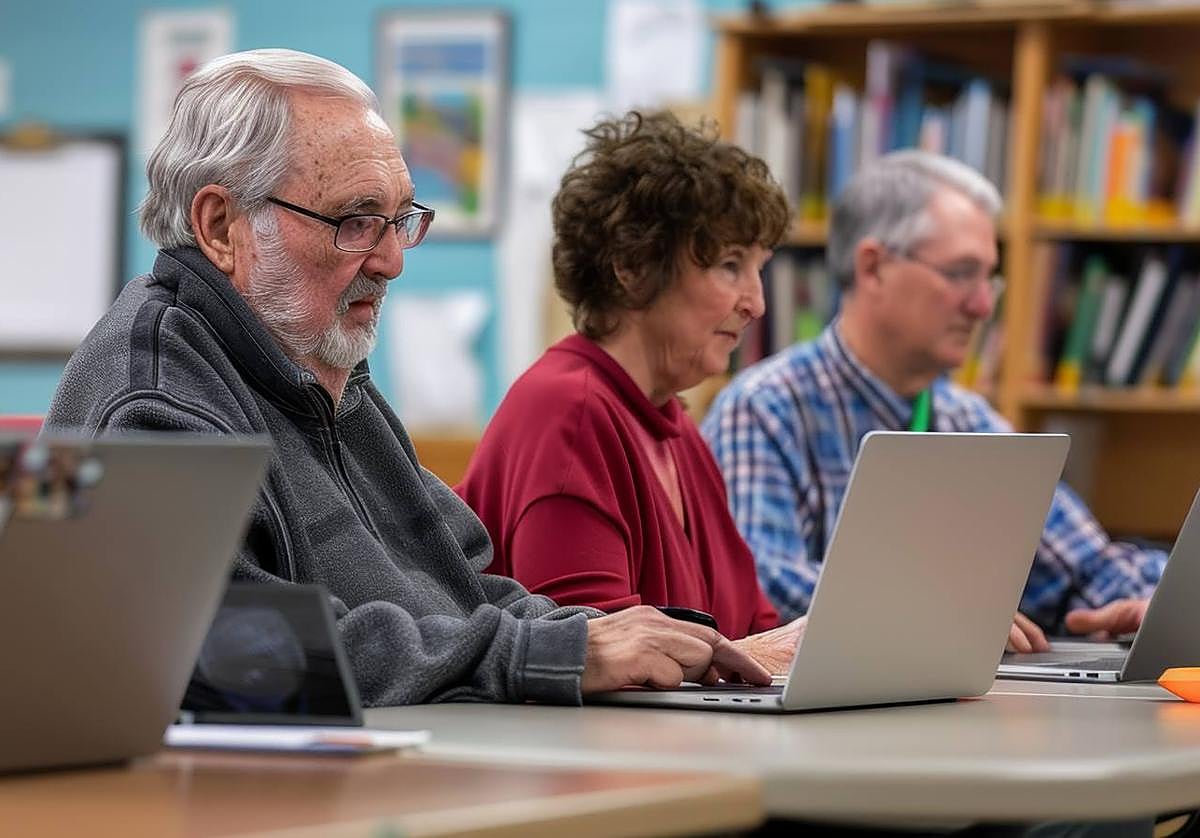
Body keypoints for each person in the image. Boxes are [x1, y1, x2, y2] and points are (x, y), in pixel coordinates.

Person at [43, 49, 770, 707]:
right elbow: (226, 653)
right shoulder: (154, 395)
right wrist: (554, 653)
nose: (392, 259)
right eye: (357, 221)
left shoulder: (324, 369)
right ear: (221, 226)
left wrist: (618, 639)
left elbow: (463, 592)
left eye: (400, 219)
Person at [702, 150, 1165, 648]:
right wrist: (942, 609)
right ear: (874, 267)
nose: (984, 304)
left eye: (989, 278)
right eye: (961, 273)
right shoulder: (764, 410)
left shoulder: (971, 422)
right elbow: (757, 588)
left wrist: (1151, 599)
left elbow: (1087, 570)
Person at [452, 111, 796, 673]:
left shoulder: (672, 423)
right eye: (731, 266)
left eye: (760, 270)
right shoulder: (570, 411)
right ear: (633, 268)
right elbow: (598, 663)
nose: (756, 302)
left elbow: (753, 629)